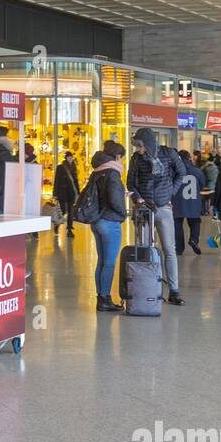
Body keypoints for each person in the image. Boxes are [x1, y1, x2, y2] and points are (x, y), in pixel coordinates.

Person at [127, 127, 185, 305]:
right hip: (144, 208)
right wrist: (139, 199)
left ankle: (174, 290)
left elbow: (181, 173)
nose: (138, 149)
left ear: (148, 144)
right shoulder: (136, 159)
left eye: (140, 145)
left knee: (169, 249)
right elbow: (130, 183)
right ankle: (146, 287)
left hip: (163, 207)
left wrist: (170, 193)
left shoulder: (169, 154)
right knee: (144, 249)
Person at [87, 150, 127, 312]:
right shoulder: (112, 174)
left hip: (96, 221)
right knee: (109, 263)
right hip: (110, 221)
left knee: (101, 260)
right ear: (116, 157)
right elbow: (115, 199)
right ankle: (105, 299)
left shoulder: (95, 173)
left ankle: (101, 297)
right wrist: (123, 213)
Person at [172, 150, 205, 256]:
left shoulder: (174, 171)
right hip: (193, 200)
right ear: (189, 158)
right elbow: (202, 185)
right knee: (195, 221)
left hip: (177, 201)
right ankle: (194, 240)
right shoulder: (197, 171)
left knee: (177, 224)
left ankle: (179, 248)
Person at [52, 151, 79, 239]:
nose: (70, 159)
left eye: (71, 157)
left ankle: (69, 230)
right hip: (62, 192)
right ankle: (57, 224)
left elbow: (76, 181)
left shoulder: (74, 167)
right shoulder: (60, 167)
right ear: (66, 158)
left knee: (71, 212)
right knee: (63, 211)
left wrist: (78, 192)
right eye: (68, 157)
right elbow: (57, 181)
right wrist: (55, 193)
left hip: (71, 193)